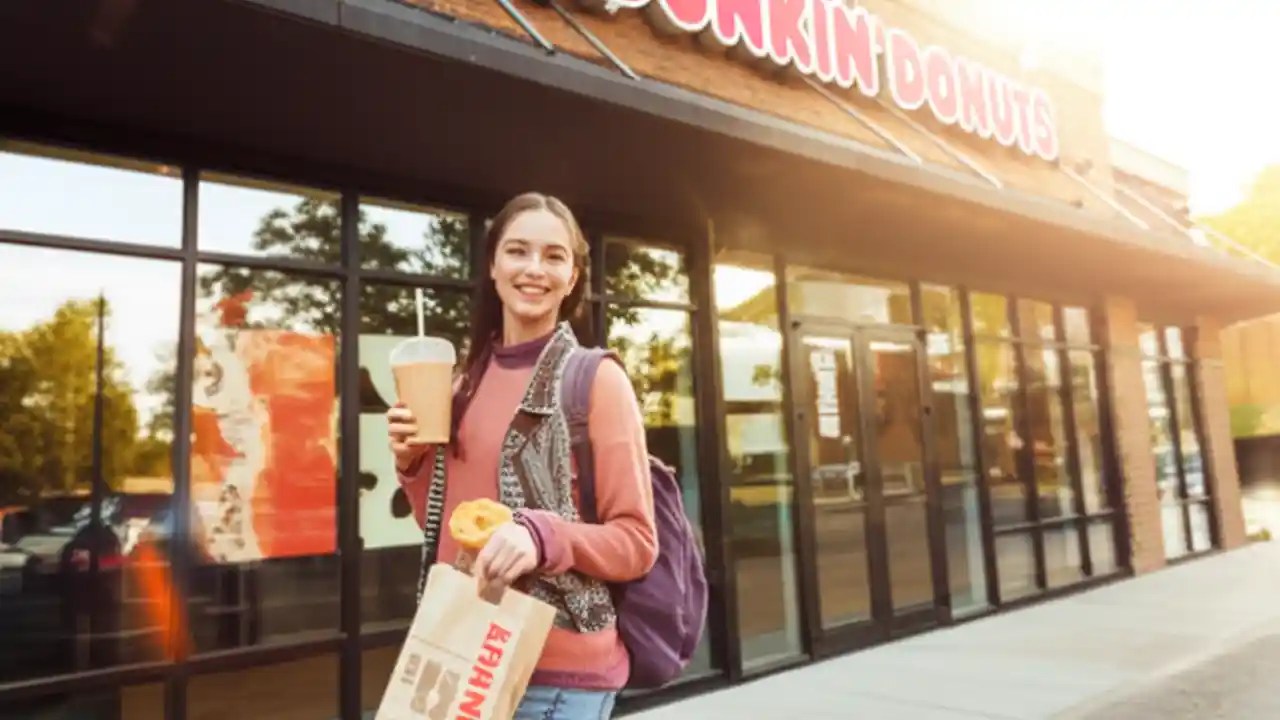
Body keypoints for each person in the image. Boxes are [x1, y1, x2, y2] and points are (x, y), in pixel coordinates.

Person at [386, 192, 657, 719]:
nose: (535, 269)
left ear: (573, 276)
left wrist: (541, 534)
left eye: (554, 256)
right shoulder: (461, 384)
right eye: (518, 251)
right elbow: (447, 533)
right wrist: (414, 464)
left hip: (556, 679)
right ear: (493, 265)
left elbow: (637, 543)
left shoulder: (596, 380)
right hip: (460, 657)